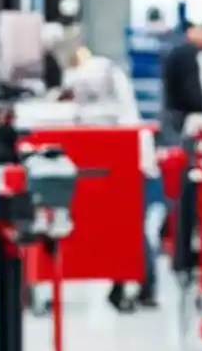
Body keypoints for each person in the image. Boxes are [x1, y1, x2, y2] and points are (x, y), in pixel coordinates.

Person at [56, 34, 165, 312]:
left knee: (132, 227)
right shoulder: (99, 78)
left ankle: (143, 287)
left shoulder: (96, 71)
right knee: (125, 228)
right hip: (122, 161)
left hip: (132, 162)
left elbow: (82, 99)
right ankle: (126, 286)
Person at [159, 18, 202, 146]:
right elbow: (190, 90)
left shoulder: (177, 45)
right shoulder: (187, 53)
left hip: (171, 110)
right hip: (179, 115)